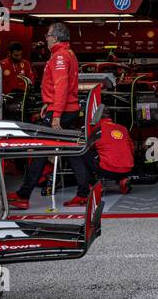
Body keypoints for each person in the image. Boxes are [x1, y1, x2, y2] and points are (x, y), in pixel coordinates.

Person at [8, 23, 94, 209]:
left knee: (40, 150)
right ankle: (84, 193)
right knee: (72, 151)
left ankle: (23, 195)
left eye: (47, 35)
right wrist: (48, 104)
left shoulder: (61, 56)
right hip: (65, 110)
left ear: (55, 38)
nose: (45, 38)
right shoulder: (66, 53)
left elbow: (61, 87)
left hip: (61, 112)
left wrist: (56, 115)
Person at [91, 116, 134, 194]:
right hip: (127, 170)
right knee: (114, 154)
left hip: (106, 170)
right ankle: (122, 181)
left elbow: (90, 147)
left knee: (83, 154)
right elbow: (131, 149)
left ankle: (91, 184)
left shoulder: (96, 128)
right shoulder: (123, 128)